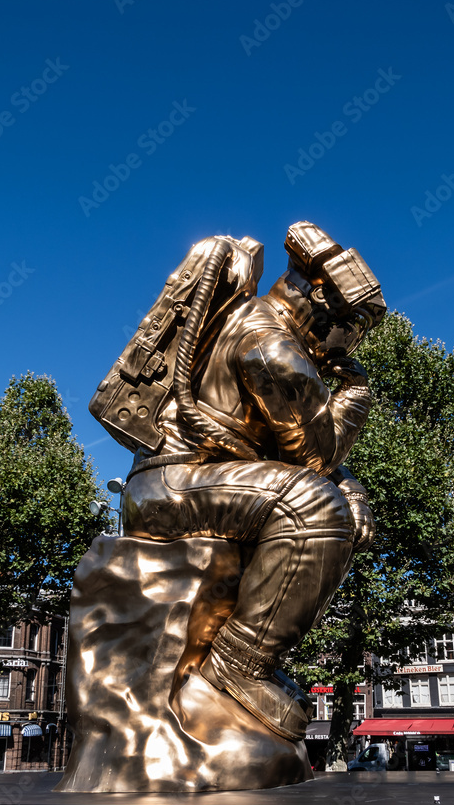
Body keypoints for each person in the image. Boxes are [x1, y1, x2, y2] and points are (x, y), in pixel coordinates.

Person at [121, 222, 385, 742]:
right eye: (351, 325)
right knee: (311, 508)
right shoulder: (271, 347)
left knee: (323, 499)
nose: (351, 340)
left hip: (201, 479)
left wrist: (351, 487)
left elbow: (292, 454)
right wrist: (356, 393)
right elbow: (316, 455)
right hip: (172, 484)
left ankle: (246, 657)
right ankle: (237, 665)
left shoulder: (266, 330)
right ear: (318, 299)